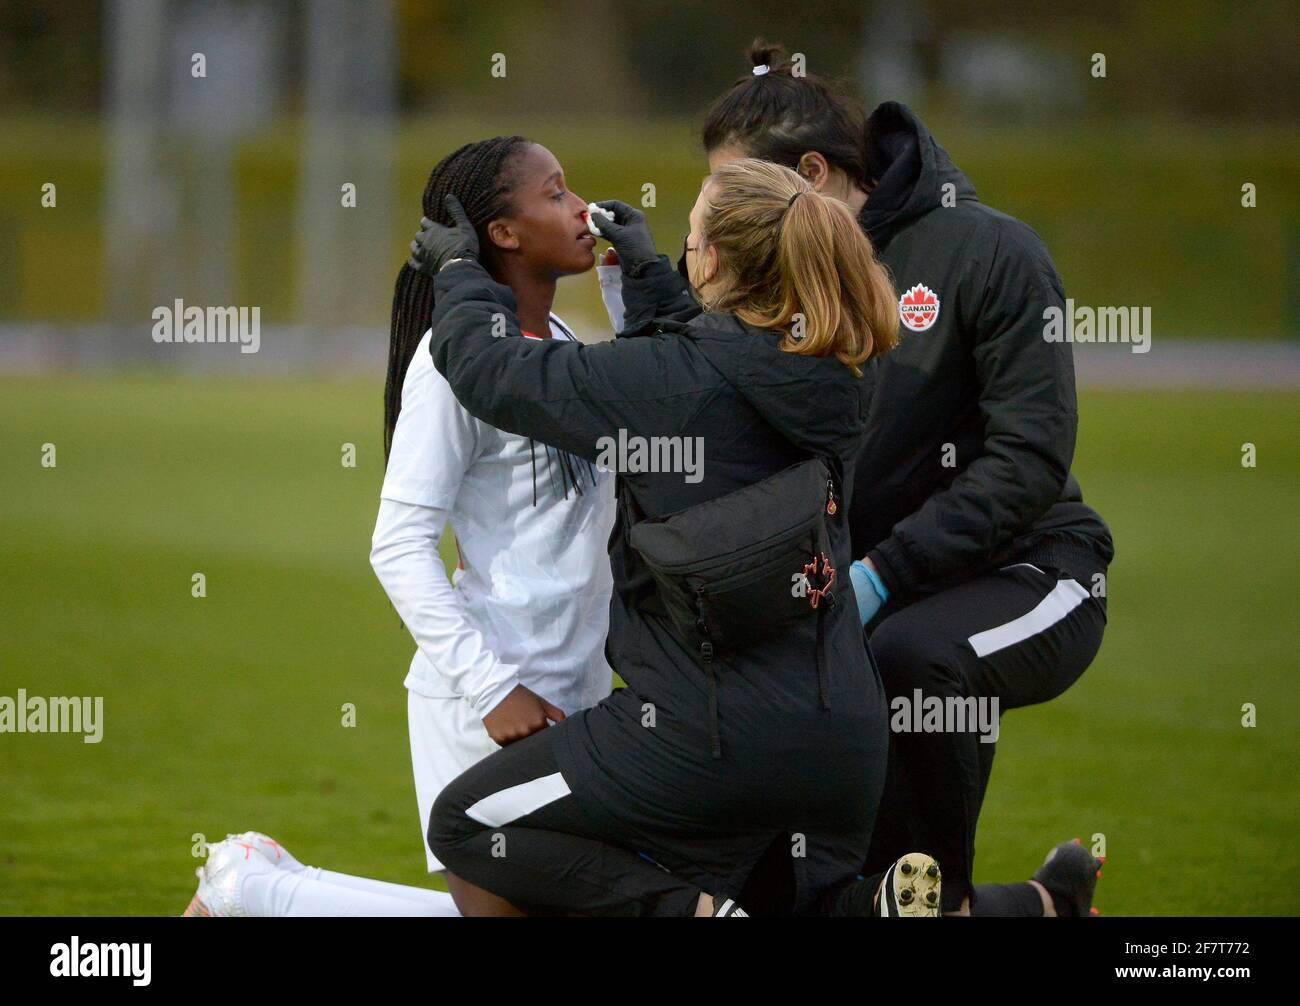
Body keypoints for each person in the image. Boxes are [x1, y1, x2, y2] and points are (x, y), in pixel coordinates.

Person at [413, 156, 928, 917]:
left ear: (715, 260)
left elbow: (491, 371)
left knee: (467, 825)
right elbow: (727, 371)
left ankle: (687, 912)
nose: (683, 251)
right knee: (790, 902)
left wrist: (458, 272)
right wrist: (653, 278)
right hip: (844, 741)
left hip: (707, 741)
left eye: (690, 240)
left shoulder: (661, 380)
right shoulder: (840, 375)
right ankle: (867, 908)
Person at [691, 41, 1114, 916]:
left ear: (813, 172)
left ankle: (939, 903)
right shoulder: (766, 270)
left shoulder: (992, 253)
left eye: (741, 190)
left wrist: (885, 573)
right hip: (855, 594)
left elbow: (1030, 458)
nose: (727, 214)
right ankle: (1044, 903)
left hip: (1031, 573)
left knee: (909, 659)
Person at [182, 137, 617, 917]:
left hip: (570, 699)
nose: (581, 206)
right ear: (504, 234)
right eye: (555, 194)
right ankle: (250, 892)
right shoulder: (449, 369)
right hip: (491, 703)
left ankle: (257, 888)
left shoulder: (558, 348)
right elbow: (397, 544)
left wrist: (629, 283)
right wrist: (492, 689)